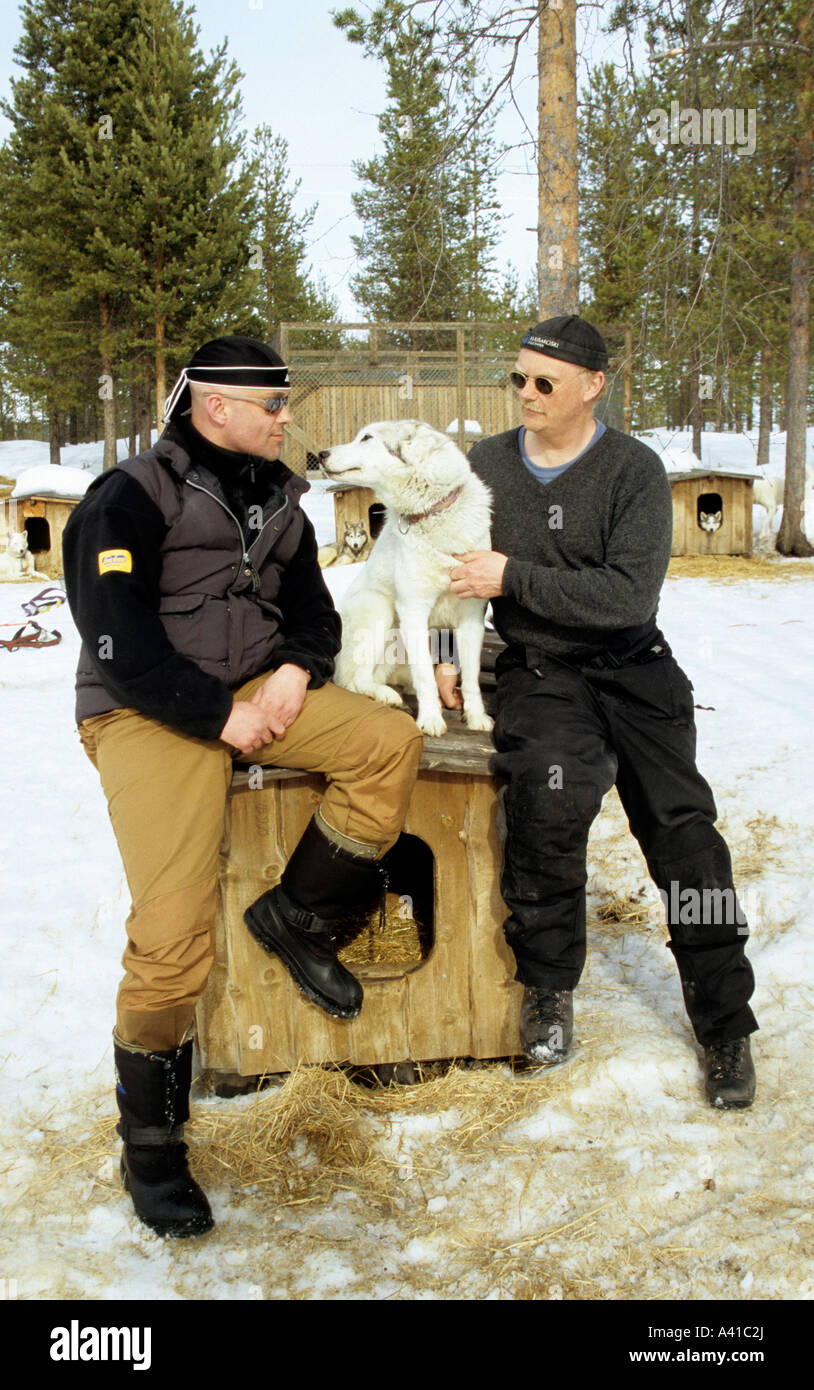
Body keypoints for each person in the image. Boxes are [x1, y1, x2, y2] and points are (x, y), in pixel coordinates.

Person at [63, 335, 423, 1237]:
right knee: (172, 936)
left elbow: (313, 611)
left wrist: (299, 670)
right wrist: (214, 716)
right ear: (214, 407)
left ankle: (297, 917)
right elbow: (113, 633)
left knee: (388, 741)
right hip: (146, 709)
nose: (287, 417)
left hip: (258, 689)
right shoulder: (131, 496)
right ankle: (152, 1143)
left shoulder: (283, 501)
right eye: (274, 405)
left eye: (286, 402)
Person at [441, 315, 757, 1110]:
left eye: (545, 382)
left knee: (687, 837)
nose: (527, 395)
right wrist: (448, 652)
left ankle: (725, 1022)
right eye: (517, 378)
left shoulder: (633, 470)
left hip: (635, 668)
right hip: (542, 671)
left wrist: (515, 577)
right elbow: (454, 569)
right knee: (551, 798)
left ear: (593, 386)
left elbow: (626, 596)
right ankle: (548, 991)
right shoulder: (486, 466)